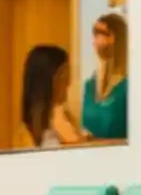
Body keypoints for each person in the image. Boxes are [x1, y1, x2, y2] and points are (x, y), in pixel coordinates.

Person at [21, 45, 82, 148]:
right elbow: (79, 150)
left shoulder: (65, 114)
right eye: (63, 76)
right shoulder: (26, 132)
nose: (68, 83)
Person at [80, 13, 129, 141]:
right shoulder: (90, 85)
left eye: (101, 34)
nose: (96, 41)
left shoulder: (128, 86)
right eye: (95, 34)